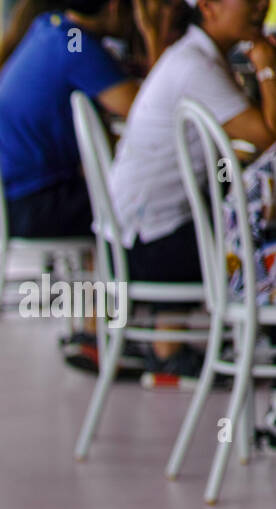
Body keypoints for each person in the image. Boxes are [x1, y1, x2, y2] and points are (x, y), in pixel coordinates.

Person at [108, 0, 276, 382]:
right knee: (263, 240)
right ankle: (258, 342)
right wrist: (267, 63)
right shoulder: (196, 67)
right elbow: (270, 138)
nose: (261, 7)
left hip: (132, 236)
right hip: (148, 248)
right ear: (208, 6)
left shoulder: (193, 56)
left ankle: (184, 348)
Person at [0, 1, 143, 239]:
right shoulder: (78, 46)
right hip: (29, 206)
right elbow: (146, 112)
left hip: (1, 200)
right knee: (143, 199)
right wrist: (154, 35)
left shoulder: (50, 27)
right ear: (114, 7)